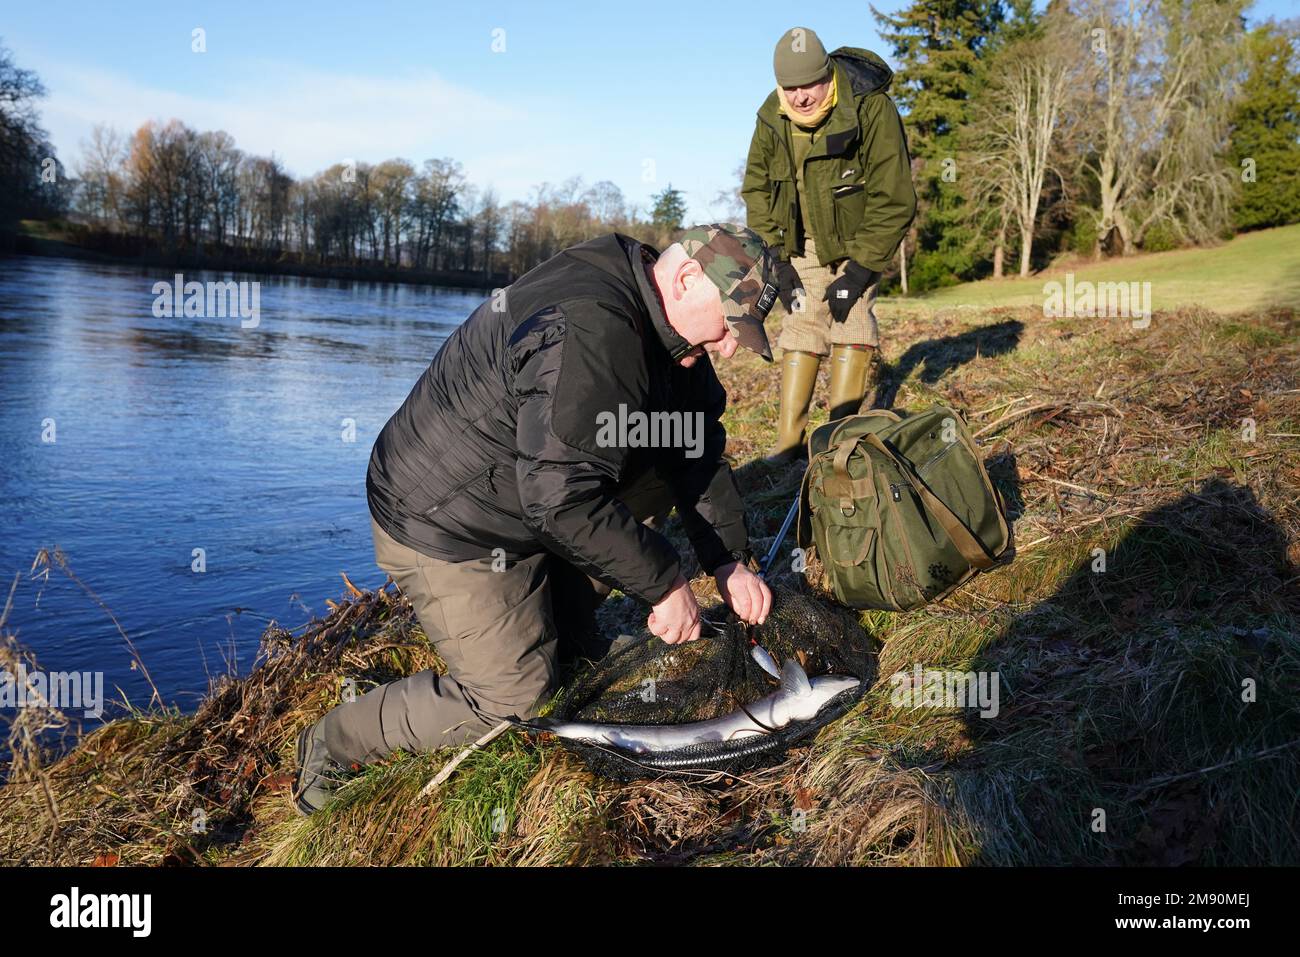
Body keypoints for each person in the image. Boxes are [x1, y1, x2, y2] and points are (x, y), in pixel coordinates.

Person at [293, 223, 778, 814]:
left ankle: (563, 620)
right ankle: (331, 741)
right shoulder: (591, 328)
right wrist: (667, 583)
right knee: (512, 705)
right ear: (684, 278)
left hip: (528, 492)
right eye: (730, 326)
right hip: (447, 517)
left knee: (657, 459)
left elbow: (695, 448)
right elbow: (561, 498)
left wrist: (727, 559)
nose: (730, 348)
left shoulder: (675, 339)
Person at [742, 26, 917, 463]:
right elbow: (758, 192)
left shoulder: (871, 108)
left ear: (829, 75)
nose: (800, 97)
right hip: (801, 240)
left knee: (852, 316)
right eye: (790, 87)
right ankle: (787, 445)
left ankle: (841, 439)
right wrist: (778, 262)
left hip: (860, 236)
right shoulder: (771, 116)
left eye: (809, 85)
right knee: (802, 319)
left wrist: (858, 273)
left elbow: (894, 197)